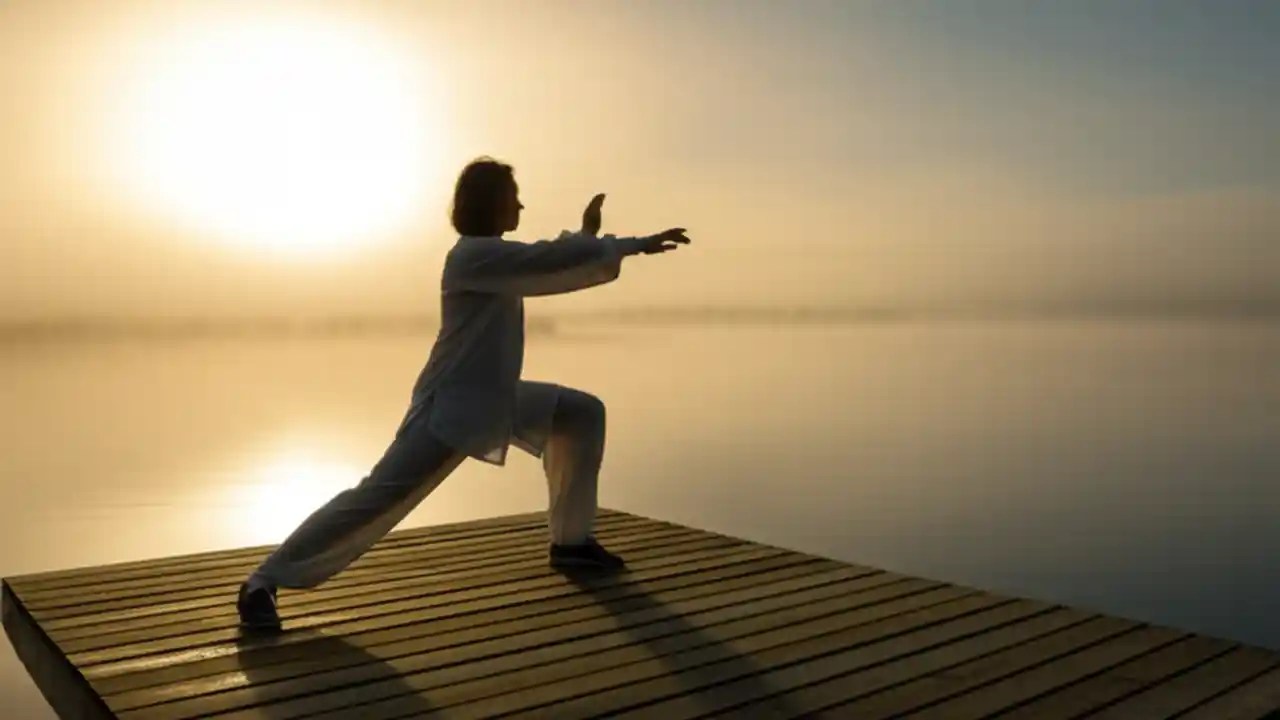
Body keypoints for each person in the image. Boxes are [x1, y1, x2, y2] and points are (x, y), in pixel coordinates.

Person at [236, 157, 692, 630]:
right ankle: (263, 581)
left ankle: (571, 544)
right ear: (492, 203)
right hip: (450, 407)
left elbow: (544, 259)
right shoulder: (472, 256)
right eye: (513, 196)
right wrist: (628, 244)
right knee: (375, 498)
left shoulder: (492, 256)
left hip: (492, 396)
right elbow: (546, 260)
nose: (520, 204)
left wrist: (587, 239)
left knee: (580, 415)